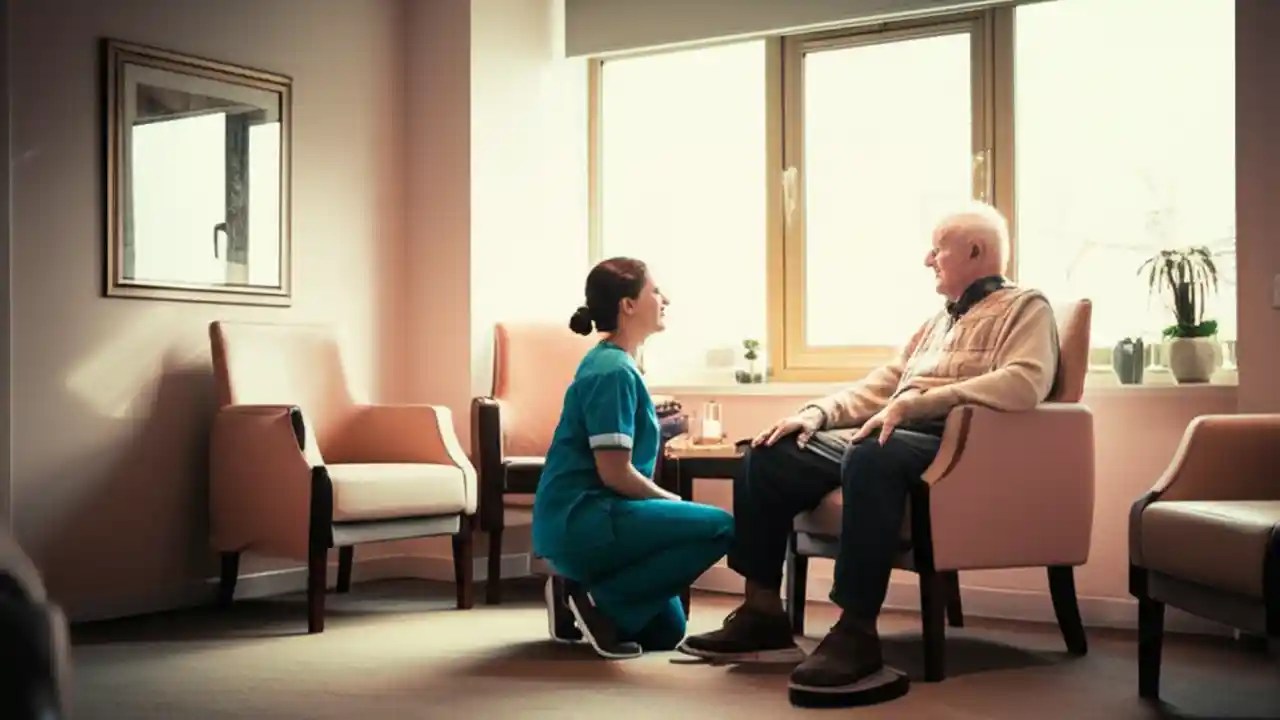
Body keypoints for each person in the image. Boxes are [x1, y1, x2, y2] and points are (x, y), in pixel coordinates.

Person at [678, 202, 1060, 694]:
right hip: (893, 435)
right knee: (767, 452)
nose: (928, 259)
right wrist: (814, 414)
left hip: (955, 451)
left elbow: (1024, 383)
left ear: (975, 251)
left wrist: (918, 404)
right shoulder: (935, 323)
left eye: (938, 248)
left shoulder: (1027, 306)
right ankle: (762, 613)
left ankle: (856, 632)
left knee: (871, 455)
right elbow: (881, 387)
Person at [532, 257, 735, 659]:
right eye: (655, 291)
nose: (665, 299)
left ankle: (572, 592)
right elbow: (614, 473)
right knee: (719, 527)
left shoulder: (614, 364)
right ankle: (596, 604)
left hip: (596, 517)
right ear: (628, 305)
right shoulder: (613, 373)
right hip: (585, 517)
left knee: (666, 631)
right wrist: (672, 503)